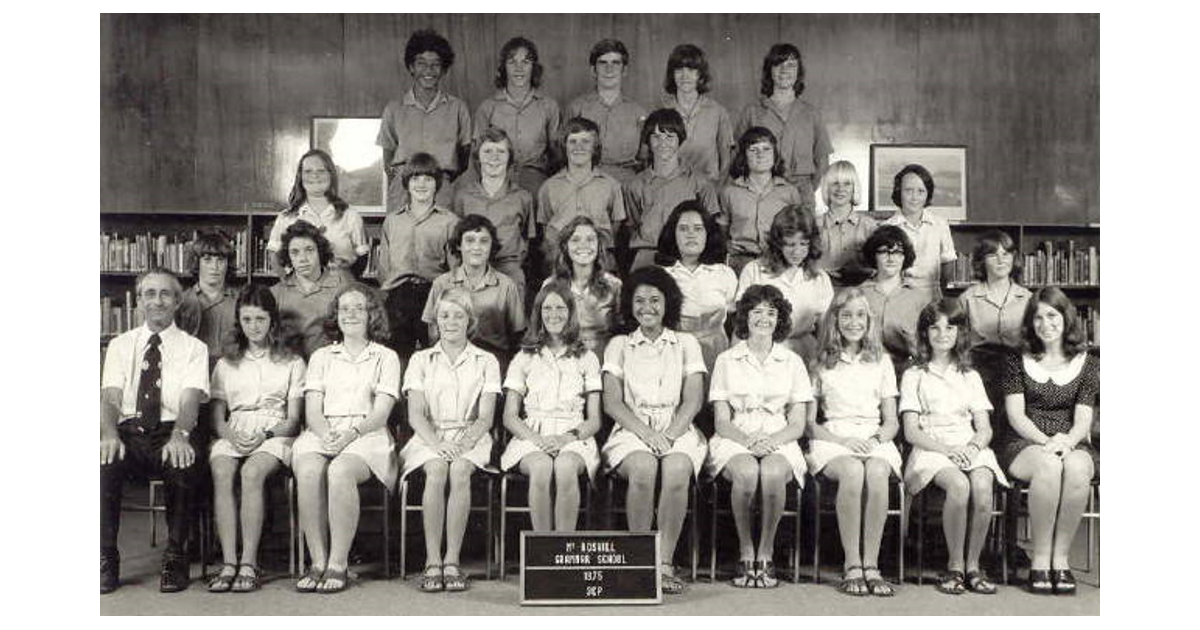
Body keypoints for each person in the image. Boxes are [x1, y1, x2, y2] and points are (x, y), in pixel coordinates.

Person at [101, 269, 209, 594]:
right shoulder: (120, 345)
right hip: (129, 430)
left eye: (165, 294)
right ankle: (105, 558)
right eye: (149, 294)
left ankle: (175, 556)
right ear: (140, 302)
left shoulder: (194, 348)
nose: (156, 301)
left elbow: (190, 399)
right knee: (101, 462)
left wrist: (181, 434)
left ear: (177, 302)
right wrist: (108, 433)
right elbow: (110, 397)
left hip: (169, 428)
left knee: (182, 460)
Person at [601, 266, 708, 594]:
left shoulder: (686, 343)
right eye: (639, 300)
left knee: (676, 468)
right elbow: (613, 403)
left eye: (655, 299)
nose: (647, 307)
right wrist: (647, 435)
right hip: (631, 429)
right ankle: (638, 559)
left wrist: (670, 435)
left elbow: (693, 400)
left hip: (678, 427)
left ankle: (664, 562)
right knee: (644, 467)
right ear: (629, 304)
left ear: (668, 303)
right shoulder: (619, 344)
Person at [291, 283, 400, 594]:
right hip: (324, 430)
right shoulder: (321, 357)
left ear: (371, 315)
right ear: (335, 315)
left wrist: (349, 435)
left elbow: (381, 412)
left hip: (367, 434)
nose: (351, 314)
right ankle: (318, 560)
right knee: (310, 469)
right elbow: (312, 410)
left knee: (339, 470)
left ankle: (339, 563)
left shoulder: (386, 357)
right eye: (344, 308)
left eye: (358, 308)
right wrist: (327, 436)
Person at [705, 285, 812, 588]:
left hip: (780, 435)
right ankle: (745, 550)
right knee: (748, 472)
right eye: (756, 312)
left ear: (780, 320)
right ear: (744, 317)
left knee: (773, 472)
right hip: (736, 436)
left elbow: (797, 423)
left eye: (771, 312)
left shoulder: (792, 361)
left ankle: (766, 551)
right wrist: (750, 441)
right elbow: (722, 422)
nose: (764, 319)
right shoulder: (727, 360)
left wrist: (771, 441)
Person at [900, 298, 1008, 596]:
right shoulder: (914, 375)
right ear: (925, 333)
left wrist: (972, 448)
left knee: (983, 486)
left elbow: (984, 428)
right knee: (959, 485)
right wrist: (947, 451)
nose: (942, 334)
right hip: (931, 447)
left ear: (960, 333)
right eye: (934, 328)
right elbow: (910, 431)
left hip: (968, 444)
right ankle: (955, 565)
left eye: (950, 327)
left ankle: (974, 565)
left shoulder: (970, 376)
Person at [996, 287, 1098, 595]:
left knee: (1080, 468)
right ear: (1030, 323)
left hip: (1071, 440)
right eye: (1037, 317)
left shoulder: (1088, 363)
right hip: (1024, 441)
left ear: (1066, 318)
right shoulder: (1016, 360)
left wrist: (1066, 442)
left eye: (1052, 315)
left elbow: (1083, 418)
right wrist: (1047, 442)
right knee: (1049, 467)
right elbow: (1016, 415)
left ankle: (1061, 559)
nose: (1045, 324)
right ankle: (1040, 559)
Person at [400, 289, 501, 593]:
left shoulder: (486, 360)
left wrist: (462, 443)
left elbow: (485, 418)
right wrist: (438, 444)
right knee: (436, 469)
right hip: (429, 436)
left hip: (472, 436)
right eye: (444, 315)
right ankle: (433, 560)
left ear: (470, 320)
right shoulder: (421, 359)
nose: (451, 321)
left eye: (459, 315)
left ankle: (452, 560)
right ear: (436, 319)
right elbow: (416, 414)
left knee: (458, 470)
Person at [805, 288, 903, 597]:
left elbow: (892, 422)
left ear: (869, 320)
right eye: (845, 315)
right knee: (851, 472)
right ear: (834, 319)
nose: (853, 322)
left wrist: (872, 440)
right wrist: (843, 440)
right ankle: (852, 563)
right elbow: (809, 424)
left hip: (874, 437)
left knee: (875, 473)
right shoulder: (820, 361)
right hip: (833, 437)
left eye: (860, 315)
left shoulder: (882, 361)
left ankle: (871, 564)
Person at [206, 285, 305, 593]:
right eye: (247, 320)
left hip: (274, 432)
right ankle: (229, 561)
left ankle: (249, 561)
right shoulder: (226, 363)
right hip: (234, 429)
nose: (254, 327)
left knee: (251, 473)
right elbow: (217, 416)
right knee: (222, 471)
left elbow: (292, 420)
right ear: (239, 321)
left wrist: (264, 435)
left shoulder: (292, 362)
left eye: (260, 319)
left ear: (272, 321)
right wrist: (231, 436)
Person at [500, 283, 603, 531]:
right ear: (538, 313)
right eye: (547, 308)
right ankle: (542, 549)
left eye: (560, 308)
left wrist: (565, 438)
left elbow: (594, 419)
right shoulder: (524, 357)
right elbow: (510, 416)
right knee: (542, 466)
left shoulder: (587, 357)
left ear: (570, 313)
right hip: (531, 435)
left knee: (566, 467)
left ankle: (562, 547)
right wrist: (538, 440)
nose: (553, 314)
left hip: (574, 435)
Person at [376, 153, 459, 363]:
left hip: (434, 293)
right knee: (396, 357)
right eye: (415, 178)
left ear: (437, 184)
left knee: (434, 356)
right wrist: (390, 293)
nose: (421, 184)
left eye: (428, 179)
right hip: (398, 296)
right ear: (406, 183)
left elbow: (455, 267)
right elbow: (384, 265)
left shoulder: (449, 222)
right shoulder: (392, 221)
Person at [378, 28, 471, 213]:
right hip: (403, 187)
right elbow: (387, 155)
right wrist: (402, 179)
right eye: (421, 63)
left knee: (442, 237)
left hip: (442, 188)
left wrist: (442, 179)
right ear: (411, 67)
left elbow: (465, 156)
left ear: (444, 69)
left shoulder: (457, 108)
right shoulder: (394, 109)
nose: (429, 70)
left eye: (435, 64)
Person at [422, 214, 526, 368]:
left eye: (484, 241)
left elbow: (517, 335)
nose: (476, 247)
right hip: (451, 362)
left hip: (495, 362)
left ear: (492, 246)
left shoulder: (506, 285)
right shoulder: (442, 284)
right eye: (469, 240)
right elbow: (433, 332)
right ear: (459, 245)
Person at [734, 204, 833, 364]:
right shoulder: (755, 270)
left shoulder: (820, 278)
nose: (797, 252)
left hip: (807, 352)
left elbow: (825, 328)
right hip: (762, 351)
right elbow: (742, 322)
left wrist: (822, 359)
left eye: (803, 244)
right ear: (778, 243)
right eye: (790, 244)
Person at [623, 108, 719, 272]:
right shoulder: (634, 184)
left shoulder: (700, 182)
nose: (663, 143)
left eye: (670, 137)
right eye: (656, 137)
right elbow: (632, 224)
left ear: (680, 139)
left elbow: (711, 227)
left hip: (686, 258)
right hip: (647, 256)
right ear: (647, 140)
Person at [736, 43, 832, 205]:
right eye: (778, 64)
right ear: (769, 71)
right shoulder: (752, 112)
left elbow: (822, 160)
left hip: (801, 195)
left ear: (798, 72)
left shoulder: (811, 114)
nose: (784, 70)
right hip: (761, 193)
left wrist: (806, 190)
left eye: (791, 65)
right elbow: (737, 156)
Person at [537, 117, 626, 276]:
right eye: (573, 141)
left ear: (595, 147)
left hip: (600, 261)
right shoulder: (549, 187)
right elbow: (546, 224)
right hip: (559, 261)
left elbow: (616, 224)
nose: (579, 147)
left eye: (586, 141)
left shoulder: (611, 186)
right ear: (564, 146)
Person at [452, 127, 536, 294]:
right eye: (487, 151)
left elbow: (528, 239)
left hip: (510, 270)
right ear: (478, 158)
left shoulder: (523, 197)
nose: (494, 157)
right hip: (472, 271)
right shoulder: (463, 196)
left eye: (501, 152)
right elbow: (456, 240)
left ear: (509, 158)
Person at [657, 200, 737, 372]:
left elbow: (732, 314)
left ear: (708, 234)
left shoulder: (724, 274)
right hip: (674, 354)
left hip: (716, 353)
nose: (691, 234)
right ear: (673, 234)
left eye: (698, 229)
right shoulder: (660, 276)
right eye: (683, 229)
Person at [474, 37, 561, 196]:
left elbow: (557, 154)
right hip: (496, 178)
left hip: (536, 179)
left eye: (525, 62)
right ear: (503, 68)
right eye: (512, 62)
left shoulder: (548, 106)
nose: (518, 68)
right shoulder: (488, 107)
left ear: (534, 68)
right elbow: (476, 155)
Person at [958, 229, 1032, 411]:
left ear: (1014, 258)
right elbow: (959, 343)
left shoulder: (1028, 298)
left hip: (1019, 370)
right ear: (981, 260)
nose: (1001, 260)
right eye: (992, 254)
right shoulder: (967, 298)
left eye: (1006, 254)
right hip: (979, 372)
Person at [266, 149, 369, 279]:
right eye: (308, 171)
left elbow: (362, 257)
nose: (315, 176)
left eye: (321, 171)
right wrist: (288, 284)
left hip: (340, 291)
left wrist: (347, 283)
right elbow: (274, 255)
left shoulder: (350, 216)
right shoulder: (286, 217)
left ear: (331, 175)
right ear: (300, 177)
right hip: (301, 294)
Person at [719, 126, 804, 275]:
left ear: (775, 155)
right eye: (753, 150)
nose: (760, 155)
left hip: (778, 262)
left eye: (766, 149)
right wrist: (726, 244)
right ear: (744, 156)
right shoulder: (729, 192)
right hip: (739, 263)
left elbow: (799, 232)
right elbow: (721, 230)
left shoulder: (789, 192)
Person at [565, 39, 648, 184]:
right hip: (586, 182)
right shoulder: (577, 108)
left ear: (624, 70)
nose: (609, 69)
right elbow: (563, 154)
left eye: (615, 63)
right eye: (603, 63)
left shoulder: (638, 112)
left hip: (626, 184)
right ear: (593, 70)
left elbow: (645, 159)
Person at [546, 215, 623, 358]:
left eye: (590, 239)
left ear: (598, 246)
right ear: (565, 246)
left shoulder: (614, 285)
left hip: (603, 359)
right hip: (564, 360)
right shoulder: (551, 285)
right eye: (575, 240)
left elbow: (621, 333)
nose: (583, 245)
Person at [882, 164, 957, 303]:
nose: (914, 197)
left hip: (932, 297)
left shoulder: (940, 225)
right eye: (908, 191)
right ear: (898, 192)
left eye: (921, 191)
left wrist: (937, 291)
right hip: (897, 296)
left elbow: (948, 265)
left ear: (928, 194)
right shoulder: (887, 227)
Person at [270, 221, 346, 358]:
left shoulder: (341, 290)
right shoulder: (275, 293)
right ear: (288, 257)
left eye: (309, 250)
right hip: (288, 367)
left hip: (329, 367)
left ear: (320, 252)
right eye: (295, 252)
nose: (303, 259)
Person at [858, 225, 928, 374]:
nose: (891, 258)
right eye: (884, 252)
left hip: (908, 371)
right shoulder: (859, 294)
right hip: (866, 370)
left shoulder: (920, 298)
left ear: (905, 257)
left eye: (897, 252)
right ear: (873, 255)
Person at [661, 43, 733, 182]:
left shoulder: (718, 112)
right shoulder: (662, 110)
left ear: (700, 75)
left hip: (708, 186)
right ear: (672, 74)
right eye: (679, 69)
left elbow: (726, 162)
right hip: (670, 186)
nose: (685, 75)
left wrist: (716, 190)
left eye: (691, 69)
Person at [178, 230, 238, 367]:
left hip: (231, 372)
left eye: (220, 260)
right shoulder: (182, 301)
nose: (214, 267)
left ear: (228, 264)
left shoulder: (240, 301)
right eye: (207, 260)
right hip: (193, 373)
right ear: (197, 263)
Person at [816, 160, 877, 286]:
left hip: (861, 292)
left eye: (847, 184)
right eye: (835, 183)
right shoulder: (814, 225)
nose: (840, 189)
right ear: (827, 187)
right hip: (822, 292)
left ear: (854, 188)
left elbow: (878, 267)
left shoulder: (869, 226)